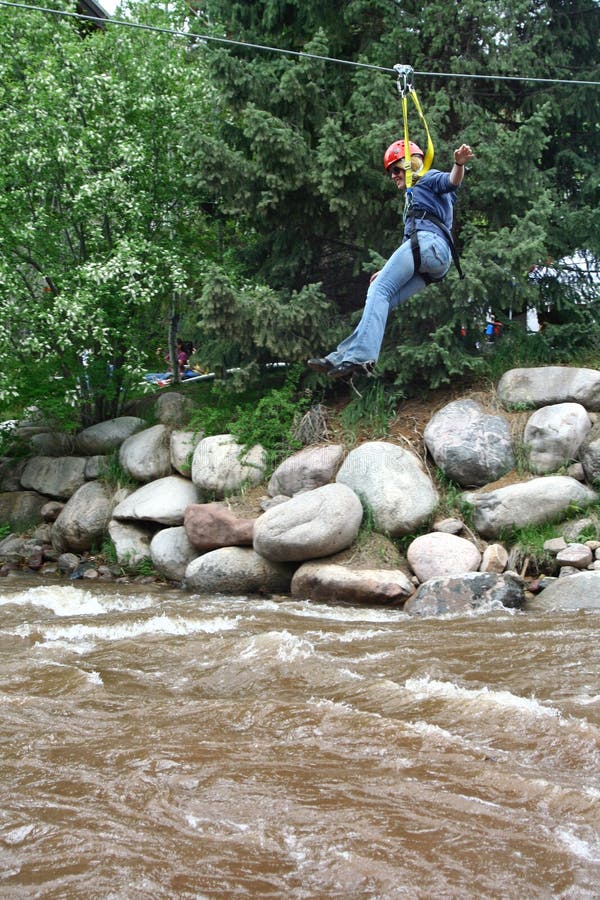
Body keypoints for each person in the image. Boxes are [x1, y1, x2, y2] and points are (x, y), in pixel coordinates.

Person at [308, 139, 475, 379]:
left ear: (410, 164)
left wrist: (458, 164)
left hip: (429, 245)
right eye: (390, 173)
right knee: (383, 299)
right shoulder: (415, 198)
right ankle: (341, 356)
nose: (393, 176)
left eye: (396, 169)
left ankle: (360, 357)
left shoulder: (426, 178)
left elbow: (451, 181)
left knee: (379, 291)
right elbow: (411, 244)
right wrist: (388, 268)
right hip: (435, 261)